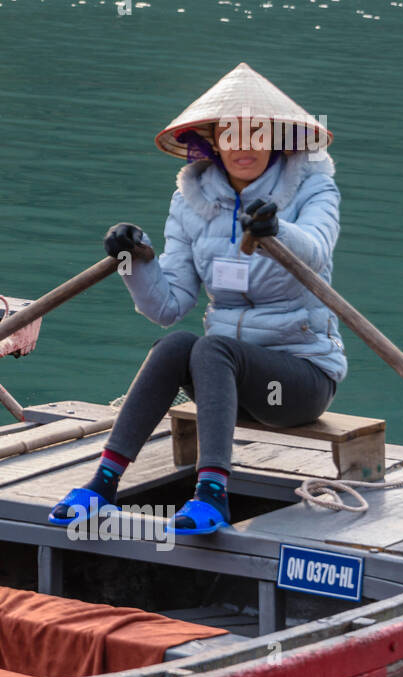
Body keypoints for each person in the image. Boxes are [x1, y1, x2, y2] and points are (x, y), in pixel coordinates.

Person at [48, 62, 346, 535]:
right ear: (214, 139)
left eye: (255, 133)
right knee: (177, 347)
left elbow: (316, 249)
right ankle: (102, 483)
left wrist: (277, 230)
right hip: (222, 381)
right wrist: (136, 261)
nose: (243, 146)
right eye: (231, 133)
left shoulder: (313, 186)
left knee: (211, 348)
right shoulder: (190, 198)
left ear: (275, 136)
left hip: (301, 377)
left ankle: (211, 495)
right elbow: (167, 307)